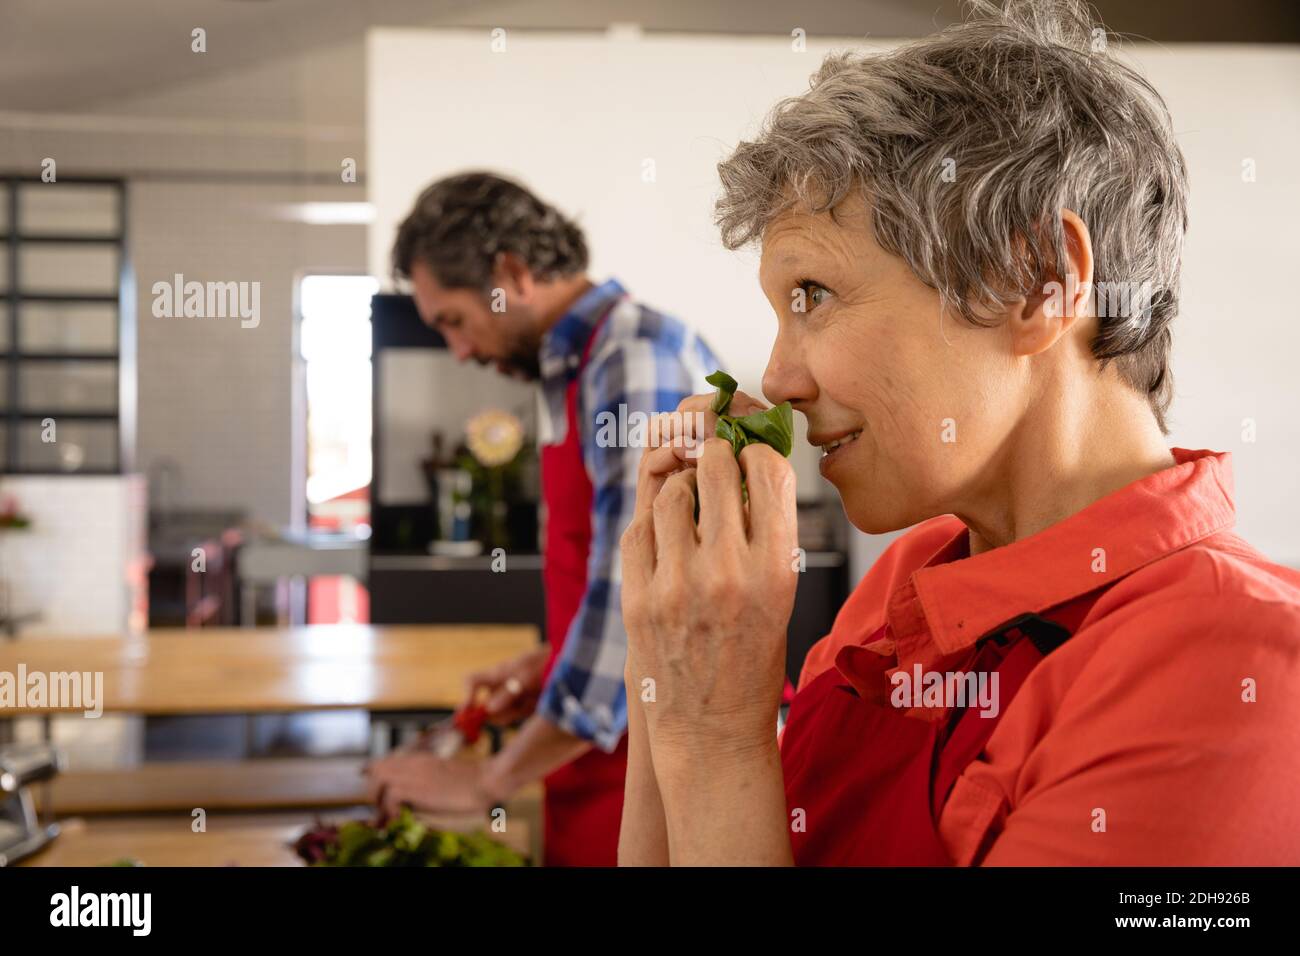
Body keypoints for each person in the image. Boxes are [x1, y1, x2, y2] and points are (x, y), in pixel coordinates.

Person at [618, 0, 1300, 865]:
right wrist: (667, 653)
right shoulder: (908, 581)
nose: (781, 381)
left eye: (814, 297)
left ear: (1036, 283)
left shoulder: (1236, 665)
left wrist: (717, 732)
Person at [366, 172, 718, 865]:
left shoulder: (631, 356)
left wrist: (488, 780)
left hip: (661, 766)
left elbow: (638, 599)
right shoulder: (579, 367)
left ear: (512, 273)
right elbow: (608, 576)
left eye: (455, 322)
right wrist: (550, 666)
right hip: (607, 759)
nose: (460, 351)